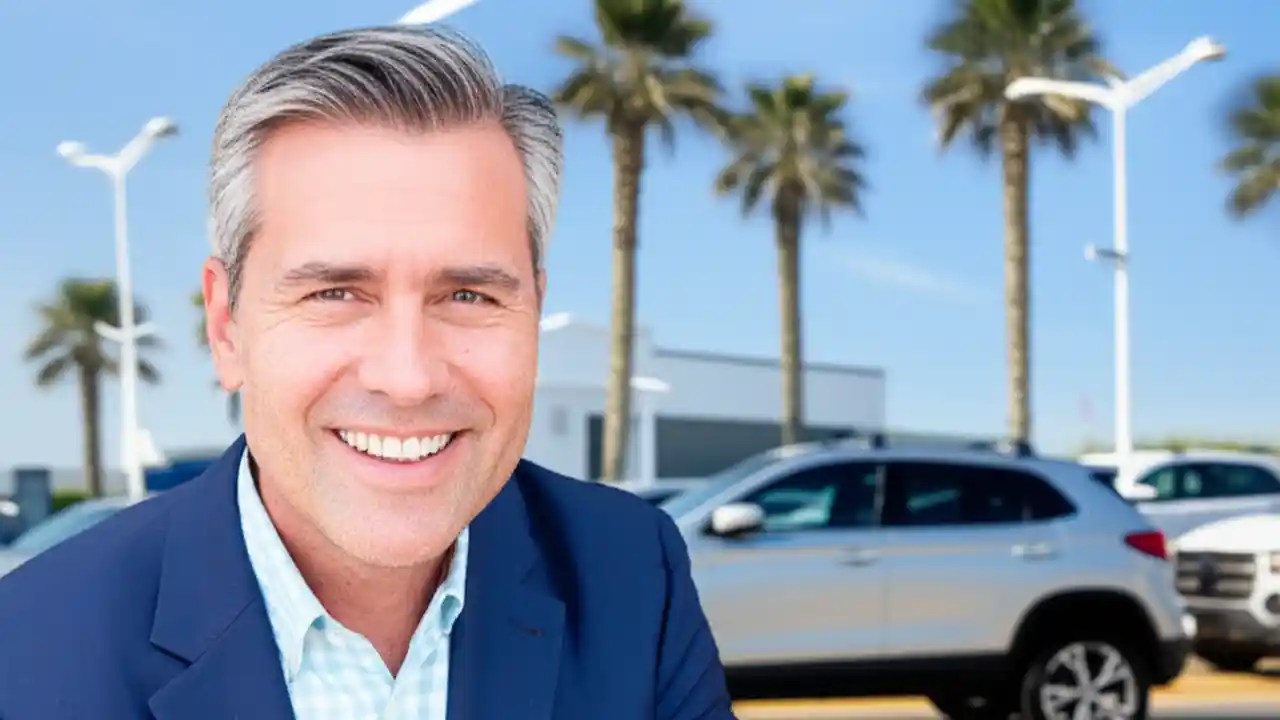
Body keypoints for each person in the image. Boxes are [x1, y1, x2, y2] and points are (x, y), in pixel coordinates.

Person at [0, 26, 735, 720]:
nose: (408, 378)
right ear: (226, 326)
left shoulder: (630, 575)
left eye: (468, 295)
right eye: (335, 293)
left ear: (533, 312)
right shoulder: (32, 649)